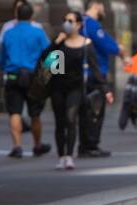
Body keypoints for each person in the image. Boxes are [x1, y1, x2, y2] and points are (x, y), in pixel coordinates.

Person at [39, 11, 101, 169]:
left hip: (76, 88)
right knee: (60, 122)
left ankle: (69, 155)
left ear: (79, 25)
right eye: (65, 20)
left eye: (70, 21)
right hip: (57, 88)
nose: (67, 23)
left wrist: (105, 88)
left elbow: (95, 67)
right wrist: (56, 43)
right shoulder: (59, 41)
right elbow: (46, 61)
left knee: (71, 119)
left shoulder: (86, 43)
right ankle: (61, 155)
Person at [0, 1, 51, 158]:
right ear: (31, 16)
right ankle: (37, 145)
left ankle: (17, 146)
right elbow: (50, 53)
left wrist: (5, 68)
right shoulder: (38, 32)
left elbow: (1, 59)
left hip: (13, 76)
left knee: (14, 111)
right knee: (35, 114)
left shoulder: (8, 33)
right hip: (33, 77)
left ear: (16, 15)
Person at [79, 0, 120, 157]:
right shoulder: (93, 25)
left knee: (84, 111)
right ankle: (91, 145)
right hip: (95, 74)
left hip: (80, 73)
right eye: (102, 8)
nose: (104, 11)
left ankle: (84, 144)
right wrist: (119, 49)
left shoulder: (78, 23)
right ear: (95, 6)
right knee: (95, 111)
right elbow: (108, 46)